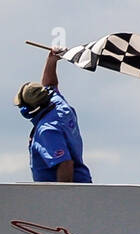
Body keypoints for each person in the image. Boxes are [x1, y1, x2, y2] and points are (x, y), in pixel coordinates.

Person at [16, 47, 92, 183]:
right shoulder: (59, 104)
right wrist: (52, 60)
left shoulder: (47, 130)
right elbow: (50, 83)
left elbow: (65, 164)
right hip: (82, 186)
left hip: (65, 195)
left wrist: (62, 200)